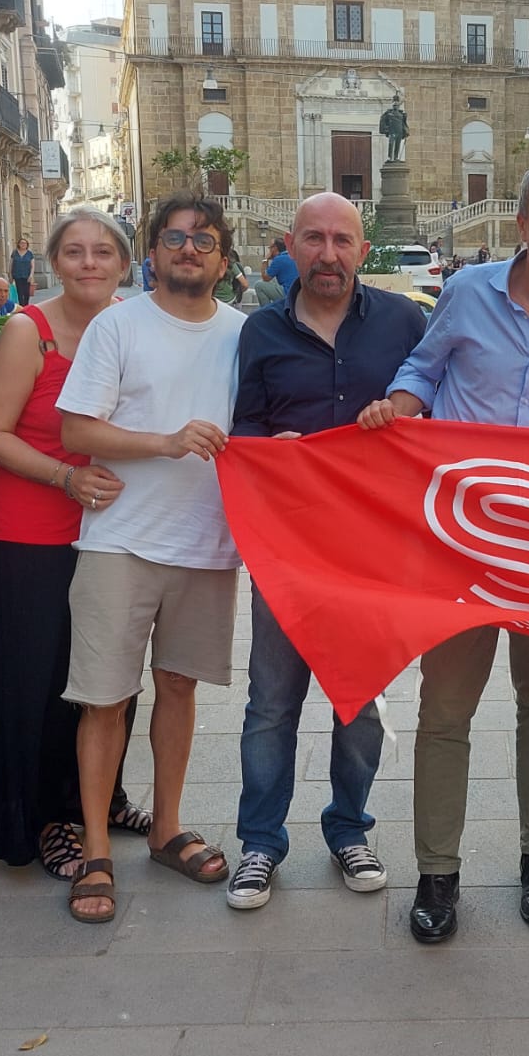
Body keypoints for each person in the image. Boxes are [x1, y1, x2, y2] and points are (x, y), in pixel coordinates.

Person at [358, 153, 529, 943]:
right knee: (446, 709)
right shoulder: (470, 292)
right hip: (460, 537)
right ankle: (438, 872)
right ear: (521, 222)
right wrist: (401, 407)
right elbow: (423, 367)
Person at [224, 192, 427, 909]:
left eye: (342, 240)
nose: (329, 253)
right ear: (291, 245)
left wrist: (406, 411)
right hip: (289, 548)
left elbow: (435, 403)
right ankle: (260, 843)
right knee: (271, 702)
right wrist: (267, 449)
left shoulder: (404, 321)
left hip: (373, 551)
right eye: (315, 238)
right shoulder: (260, 332)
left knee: (359, 700)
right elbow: (242, 428)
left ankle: (349, 829)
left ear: (363, 251)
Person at [56, 193, 246, 923]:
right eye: (174, 238)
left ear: (223, 259)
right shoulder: (118, 326)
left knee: (179, 689)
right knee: (104, 699)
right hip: (121, 540)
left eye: (203, 239)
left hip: (207, 543)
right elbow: (76, 428)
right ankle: (97, 847)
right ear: (154, 254)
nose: (188, 248)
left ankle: (166, 827)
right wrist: (165, 443)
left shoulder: (244, 332)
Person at [0, 209, 147, 881]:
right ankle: (45, 817)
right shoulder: (27, 333)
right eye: (74, 252)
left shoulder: (134, 324)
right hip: (34, 528)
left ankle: (100, 798)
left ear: (124, 264)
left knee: (106, 676)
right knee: (41, 678)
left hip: (113, 531)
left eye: (103, 252)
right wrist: (66, 477)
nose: (89, 263)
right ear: (52, 262)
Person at [10, 236, 36, 307]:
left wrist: (31, 275)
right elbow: (11, 264)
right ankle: (22, 307)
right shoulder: (14, 253)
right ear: (18, 244)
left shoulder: (29, 253)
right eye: (21, 243)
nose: (23, 244)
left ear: (27, 245)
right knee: (20, 292)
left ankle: (26, 305)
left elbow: (32, 266)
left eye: (25, 243)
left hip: (27, 275)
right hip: (17, 275)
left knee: (26, 292)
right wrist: (11, 275)